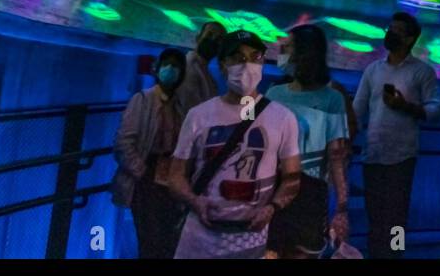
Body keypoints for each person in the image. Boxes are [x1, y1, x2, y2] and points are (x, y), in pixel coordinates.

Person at [168, 29, 301, 259]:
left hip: (250, 240)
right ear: (222, 65)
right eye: (238, 58)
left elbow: (292, 177)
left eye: (255, 57)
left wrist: (272, 208)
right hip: (199, 239)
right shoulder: (199, 115)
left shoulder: (283, 118)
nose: (247, 64)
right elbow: (175, 175)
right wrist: (194, 201)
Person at [353, 11, 440, 259]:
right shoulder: (372, 70)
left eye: (397, 31)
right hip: (372, 156)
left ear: (410, 39)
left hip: (402, 158)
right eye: (389, 29)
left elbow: (436, 109)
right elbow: (358, 108)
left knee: (396, 218)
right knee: (375, 217)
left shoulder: (422, 72)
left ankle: (395, 256)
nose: (390, 34)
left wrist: (407, 107)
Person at [265, 25, 351, 257]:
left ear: (305, 53)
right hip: (272, 188)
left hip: (309, 195)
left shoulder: (332, 99)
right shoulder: (273, 94)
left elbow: (336, 157)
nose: (282, 51)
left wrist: (341, 208)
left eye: (288, 47)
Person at [111, 47, 188, 259]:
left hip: (167, 179)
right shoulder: (143, 100)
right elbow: (123, 142)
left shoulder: (178, 106)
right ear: (158, 69)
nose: (171, 70)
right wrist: (142, 171)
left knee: (166, 238)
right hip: (145, 178)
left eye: (176, 66)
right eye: (167, 65)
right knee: (150, 238)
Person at [180, 21, 225, 114]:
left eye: (218, 39)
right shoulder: (187, 67)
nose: (213, 40)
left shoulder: (206, 74)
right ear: (198, 37)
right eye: (209, 34)